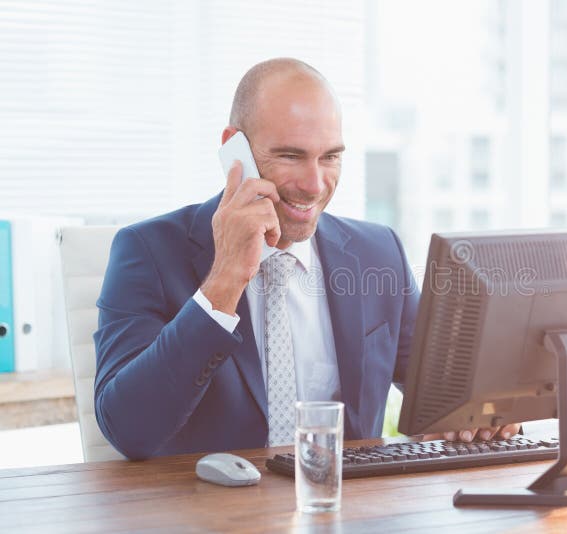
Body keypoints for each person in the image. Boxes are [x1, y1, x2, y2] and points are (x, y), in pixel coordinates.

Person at [94, 58, 518, 460]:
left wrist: (480, 413)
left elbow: (445, 394)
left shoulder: (378, 252)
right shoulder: (147, 251)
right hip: (212, 505)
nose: (315, 185)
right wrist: (224, 280)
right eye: (290, 156)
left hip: (345, 503)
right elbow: (129, 430)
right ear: (233, 148)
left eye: (330, 157)